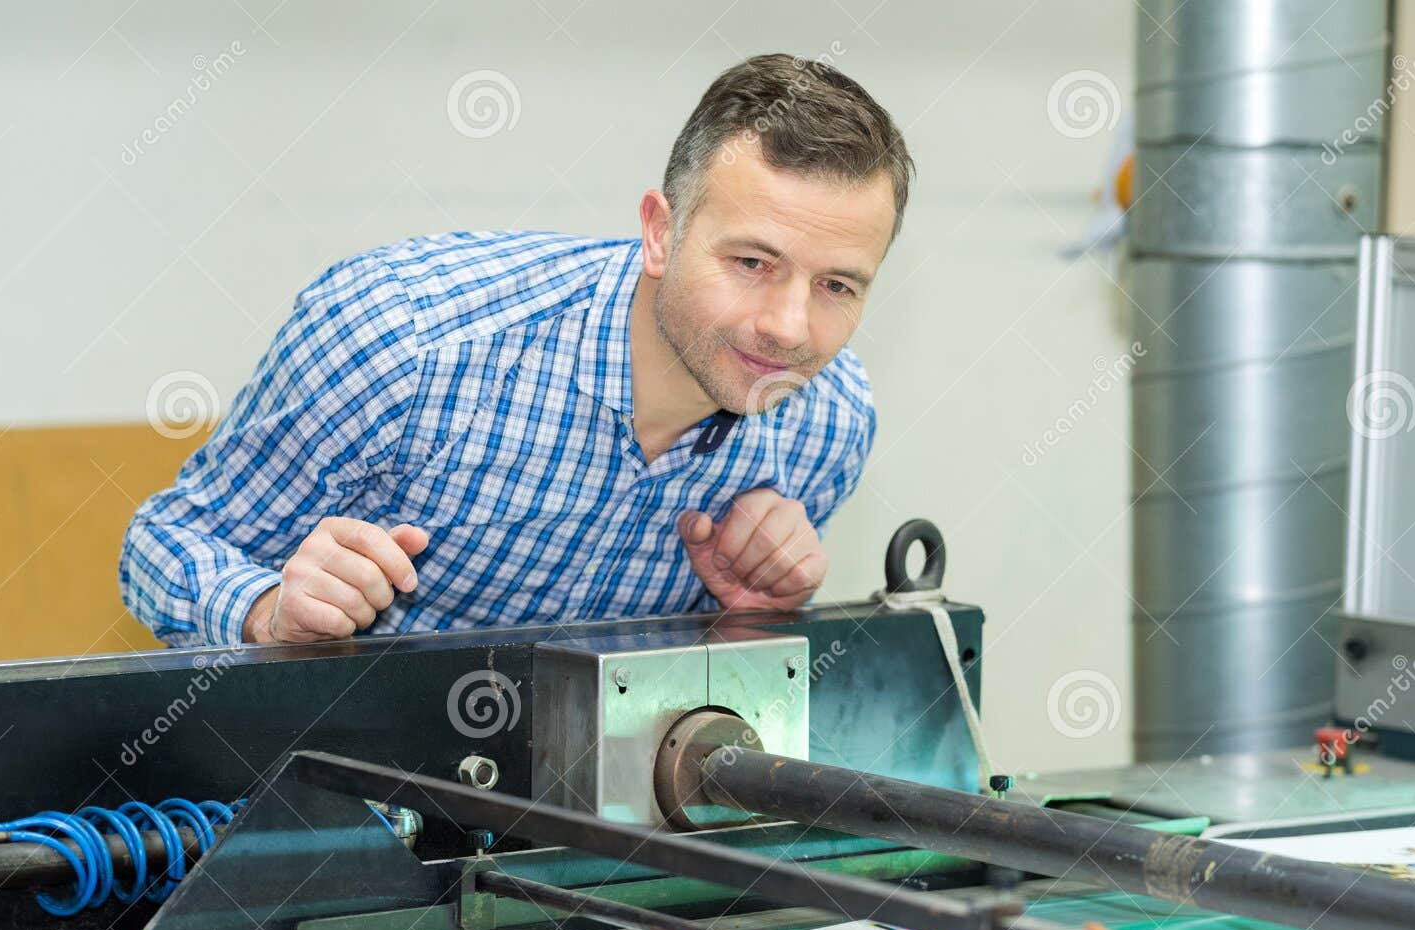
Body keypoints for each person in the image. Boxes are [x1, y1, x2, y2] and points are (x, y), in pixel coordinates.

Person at [120, 53, 912, 647]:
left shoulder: (827, 424)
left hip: (590, 820)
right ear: (660, 232)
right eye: (753, 263)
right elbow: (160, 546)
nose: (789, 328)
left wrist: (751, 624)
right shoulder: (403, 337)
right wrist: (267, 614)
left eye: (837, 285)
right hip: (337, 795)